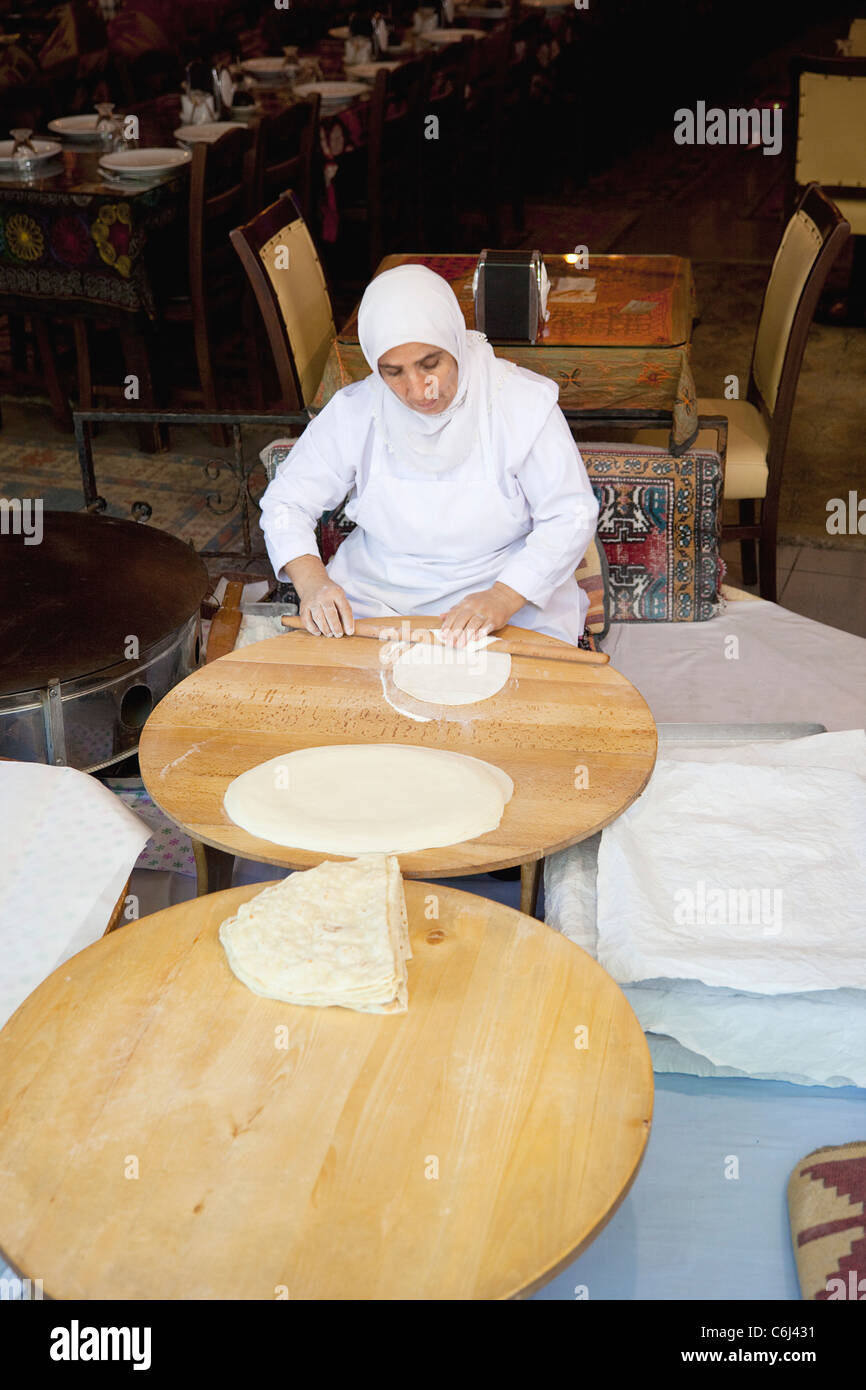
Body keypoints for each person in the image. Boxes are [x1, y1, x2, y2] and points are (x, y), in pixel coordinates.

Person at [259, 264, 599, 646]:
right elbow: (286, 502)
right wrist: (312, 582)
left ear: (454, 340)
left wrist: (504, 596)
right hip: (377, 598)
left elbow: (570, 515)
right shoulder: (356, 410)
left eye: (430, 363)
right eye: (393, 372)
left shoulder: (521, 403)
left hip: (504, 592)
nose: (420, 390)